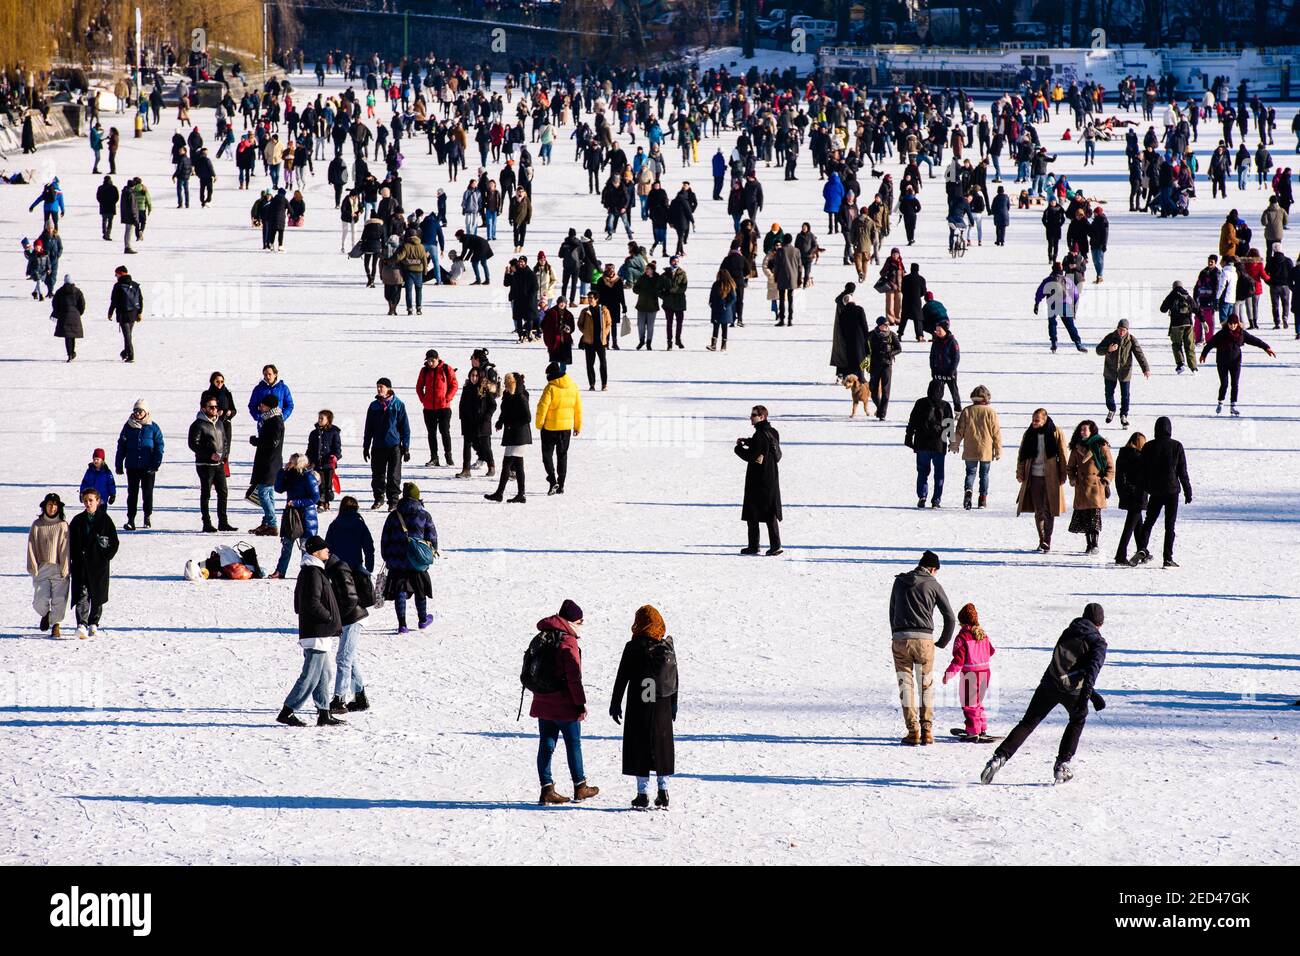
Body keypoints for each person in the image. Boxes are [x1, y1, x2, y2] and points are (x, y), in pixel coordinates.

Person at [981, 603, 1108, 785]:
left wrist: (1093, 696)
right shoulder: (1098, 642)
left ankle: (999, 757)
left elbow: (1064, 664)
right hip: (1072, 690)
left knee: (1028, 722)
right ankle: (1062, 764)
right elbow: (1091, 671)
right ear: (1100, 623)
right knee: (1078, 718)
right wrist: (1087, 696)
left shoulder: (1069, 631)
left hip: (1049, 683)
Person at [609, 604, 678, 809]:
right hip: (662, 706)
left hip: (639, 706)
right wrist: (673, 705)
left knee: (639, 747)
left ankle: (642, 794)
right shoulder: (666, 648)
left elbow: (622, 677)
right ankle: (663, 791)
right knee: (662, 747)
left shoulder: (633, 647)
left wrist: (615, 703)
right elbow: (674, 679)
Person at [888, 549, 956, 746]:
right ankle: (927, 731)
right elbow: (950, 617)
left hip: (901, 638)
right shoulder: (933, 584)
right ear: (933, 569)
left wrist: (896, 634)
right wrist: (942, 641)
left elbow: (892, 611)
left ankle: (913, 731)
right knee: (926, 684)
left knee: (905, 684)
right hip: (925, 640)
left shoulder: (900, 582)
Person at [276, 536, 344, 728]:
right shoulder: (312, 572)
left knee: (324, 674)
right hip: (316, 632)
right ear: (315, 553)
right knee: (310, 676)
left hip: (318, 633)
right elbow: (309, 603)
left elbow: (299, 603)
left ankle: (324, 713)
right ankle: (287, 711)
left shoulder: (313, 571)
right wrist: (328, 617)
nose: (328, 551)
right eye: (325, 549)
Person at [1131, 416, 1193, 568]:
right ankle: (1167, 558)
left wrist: (1141, 490)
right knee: (1169, 526)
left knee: (1149, 522)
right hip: (1172, 491)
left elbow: (1142, 472)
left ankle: (1142, 548)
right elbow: (1182, 471)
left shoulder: (1148, 447)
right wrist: (1188, 490)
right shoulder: (1177, 446)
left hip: (1155, 490)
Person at [325, 539, 371, 716]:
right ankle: (360, 697)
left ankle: (339, 699)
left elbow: (351, 599)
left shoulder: (338, 569)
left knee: (343, 658)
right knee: (349, 658)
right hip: (348, 618)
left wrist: (339, 618)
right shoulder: (331, 568)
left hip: (353, 618)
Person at [68, 488, 119, 638]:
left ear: (98, 501)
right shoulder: (77, 521)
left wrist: (105, 556)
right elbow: (70, 542)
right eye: (85, 500)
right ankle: (81, 624)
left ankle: (93, 623)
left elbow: (114, 542)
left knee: (97, 594)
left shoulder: (105, 520)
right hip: (81, 565)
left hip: (99, 566)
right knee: (82, 595)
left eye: (91, 500)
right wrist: (74, 558)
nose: (88, 503)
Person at [1199, 314, 1276, 415]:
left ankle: (1233, 406)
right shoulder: (1222, 333)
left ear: (1238, 324)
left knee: (1235, 384)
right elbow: (1211, 343)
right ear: (1228, 323)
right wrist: (1204, 354)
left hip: (1235, 362)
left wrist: (1266, 347)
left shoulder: (1241, 333)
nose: (1233, 326)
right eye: (1231, 324)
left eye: (1235, 324)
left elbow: (1254, 340)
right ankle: (1220, 403)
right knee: (1224, 383)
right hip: (1222, 362)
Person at [1015, 408, 1068, 553]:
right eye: (1033, 419)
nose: (1034, 422)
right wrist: (1019, 472)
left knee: (1050, 509)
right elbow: (1022, 454)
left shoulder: (1055, 432)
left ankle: (1048, 539)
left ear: (1044, 420)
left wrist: (1064, 473)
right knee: (1038, 510)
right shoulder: (1029, 433)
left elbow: (1063, 453)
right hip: (1034, 476)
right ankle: (1042, 539)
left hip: (1051, 476)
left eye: (1037, 420)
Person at [942, 604, 996, 742]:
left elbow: (958, 660)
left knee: (969, 703)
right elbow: (991, 651)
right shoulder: (983, 634)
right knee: (978, 701)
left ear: (962, 621)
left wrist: (948, 674)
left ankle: (973, 731)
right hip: (985, 672)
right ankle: (982, 727)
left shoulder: (962, 637)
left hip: (970, 674)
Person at [735, 405, 783, 556]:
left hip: (758, 479)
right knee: (770, 512)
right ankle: (775, 545)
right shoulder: (772, 432)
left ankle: (754, 545)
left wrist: (738, 449)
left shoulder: (760, 435)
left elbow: (752, 456)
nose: (751, 417)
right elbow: (763, 447)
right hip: (771, 478)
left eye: (754, 415)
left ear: (762, 417)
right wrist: (748, 441)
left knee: (752, 511)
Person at [1065, 420, 1114, 555]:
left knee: (1094, 516)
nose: (1082, 432)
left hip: (1096, 487)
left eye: (1085, 429)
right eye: (1081, 430)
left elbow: (1110, 466)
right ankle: (1089, 544)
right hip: (1081, 487)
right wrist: (1073, 479)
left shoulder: (1101, 445)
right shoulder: (1076, 448)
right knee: (1085, 517)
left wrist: (1105, 480)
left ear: (1092, 430)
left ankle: (1095, 544)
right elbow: (1070, 467)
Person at [949, 384, 1001, 510]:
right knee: (984, 474)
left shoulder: (967, 411)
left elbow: (959, 430)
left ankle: (968, 491)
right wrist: (998, 450)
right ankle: (982, 499)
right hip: (986, 449)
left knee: (970, 473)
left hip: (970, 448)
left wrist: (954, 445)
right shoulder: (990, 412)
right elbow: (996, 433)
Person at [363, 378, 411, 510]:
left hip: (394, 445)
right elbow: (369, 428)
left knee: (394, 475)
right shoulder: (374, 406)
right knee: (378, 475)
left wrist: (406, 447)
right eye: (378, 386)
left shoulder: (398, 405)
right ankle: (379, 498)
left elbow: (404, 428)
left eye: (382, 386)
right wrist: (366, 446)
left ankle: (393, 501)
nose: (379, 389)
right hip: (378, 445)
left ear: (388, 388)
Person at [188, 394, 234, 532]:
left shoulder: (219, 422)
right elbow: (193, 444)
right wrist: (209, 455)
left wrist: (224, 455)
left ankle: (223, 522)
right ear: (204, 408)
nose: (214, 410)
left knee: (223, 492)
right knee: (206, 493)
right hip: (205, 465)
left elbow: (224, 440)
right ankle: (206, 523)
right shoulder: (198, 424)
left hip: (219, 464)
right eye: (211, 407)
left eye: (216, 407)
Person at [270, 454, 320, 579]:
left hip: (306, 516)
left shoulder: (308, 477)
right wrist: (282, 472)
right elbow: (278, 488)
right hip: (292, 515)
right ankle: (280, 571)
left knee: (305, 546)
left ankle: (307, 573)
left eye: (292, 462)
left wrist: (297, 502)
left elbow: (315, 497)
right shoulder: (290, 475)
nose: (289, 463)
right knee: (287, 544)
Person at [905, 380, 953, 509]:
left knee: (922, 472)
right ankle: (936, 500)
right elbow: (949, 427)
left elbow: (912, 421)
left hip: (922, 443)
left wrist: (908, 437)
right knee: (939, 473)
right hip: (939, 444)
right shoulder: (945, 405)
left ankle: (922, 496)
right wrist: (952, 442)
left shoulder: (920, 403)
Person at [535, 361, 582, 495]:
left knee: (547, 456)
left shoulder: (550, 388)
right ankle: (561, 485)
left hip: (549, 428)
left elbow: (542, 407)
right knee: (562, 456)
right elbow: (578, 409)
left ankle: (552, 480)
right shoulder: (573, 386)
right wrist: (577, 426)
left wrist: (539, 424)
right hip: (566, 429)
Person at [28, 493, 70, 638]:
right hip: (42, 567)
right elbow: (31, 546)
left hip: (59, 567)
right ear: (44, 506)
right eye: (49, 505)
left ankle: (56, 625)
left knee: (60, 599)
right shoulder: (37, 525)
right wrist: (33, 565)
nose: (52, 508)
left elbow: (66, 549)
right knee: (40, 599)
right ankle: (45, 615)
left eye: (55, 505)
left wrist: (65, 568)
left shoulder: (63, 525)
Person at [486, 372, 531, 503]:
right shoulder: (507, 396)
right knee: (518, 465)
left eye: (507, 384)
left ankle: (500, 493)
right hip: (512, 435)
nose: (504, 387)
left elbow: (527, 418)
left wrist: (512, 425)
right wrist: (500, 422)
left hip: (519, 435)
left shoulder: (521, 397)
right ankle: (520, 494)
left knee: (507, 464)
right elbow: (505, 412)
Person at [1095, 319, 1150, 427]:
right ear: (1117, 328)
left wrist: (1145, 368)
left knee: (1125, 395)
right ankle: (1112, 409)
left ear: (1127, 330)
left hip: (1125, 371)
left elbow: (1139, 354)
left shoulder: (1131, 339)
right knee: (1109, 394)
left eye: (1124, 330)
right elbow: (1098, 350)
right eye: (1120, 329)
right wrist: (1108, 349)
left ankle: (1124, 415)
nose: (1121, 332)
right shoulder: (1110, 337)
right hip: (1110, 370)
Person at [248, 394, 285, 535]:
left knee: (263, 492)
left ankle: (272, 523)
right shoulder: (270, 419)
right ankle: (267, 522)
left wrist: (257, 441)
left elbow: (272, 442)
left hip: (270, 463)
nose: (260, 407)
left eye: (262, 405)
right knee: (268, 493)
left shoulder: (275, 421)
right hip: (268, 461)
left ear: (269, 406)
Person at [415, 350, 458, 467]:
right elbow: (419, 387)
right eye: (428, 361)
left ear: (438, 359)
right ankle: (434, 457)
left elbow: (454, 385)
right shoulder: (424, 371)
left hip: (444, 407)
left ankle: (448, 456)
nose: (430, 363)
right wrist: (423, 399)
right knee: (431, 433)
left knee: (445, 431)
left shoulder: (446, 369)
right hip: (429, 408)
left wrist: (447, 398)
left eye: (432, 360)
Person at [1113, 431, 1147, 566]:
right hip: (1137, 495)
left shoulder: (1122, 455)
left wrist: (1123, 492)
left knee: (1137, 524)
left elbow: (1119, 477)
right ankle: (1120, 555)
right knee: (1129, 527)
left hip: (1126, 494)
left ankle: (1142, 551)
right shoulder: (1139, 457)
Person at [1033, 263, 1083, 352]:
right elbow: (1076, 294)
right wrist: (1073, 306)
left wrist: (1037, 303)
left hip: (1052, 304)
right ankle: (1078, 343)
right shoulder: (1067, 280)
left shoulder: (1048, 280)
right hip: (1065, 305)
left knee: (1052, 324)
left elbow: (1040, 292)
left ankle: (1054, 342)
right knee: (1070, 326)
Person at [306, 410, 342, 512]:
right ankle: (320, 503)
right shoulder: (313, 433)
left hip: (328, 464)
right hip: (317, 464)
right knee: (319, 484)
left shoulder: (334, 433)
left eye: (322, 418)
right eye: (319, 418)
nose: (320, 420)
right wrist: (308, 460)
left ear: (328, 420)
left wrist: (335, 457)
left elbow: (337, 449)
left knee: (328, 485)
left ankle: (327, 502)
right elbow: (310, 449)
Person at [1160, 280, 1199, 373]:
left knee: (1177, 345)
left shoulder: (1171, 296)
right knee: (1190, 346)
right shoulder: (1187, 295)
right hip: (1188, 324)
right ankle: (1193, 367)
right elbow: (1196, 309)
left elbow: (1162, 309)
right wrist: (1203, 321)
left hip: (1176, 325)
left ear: (1173, 287)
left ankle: (1180, 364)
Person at [107, 265, 144, 363]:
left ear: (121, 273)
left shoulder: (118, 286)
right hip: (133, 313)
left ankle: (130, 355)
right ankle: (125, 353)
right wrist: (139, 312)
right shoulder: (135, 285)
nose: (116, 276)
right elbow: (140, 299)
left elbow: (114, 301)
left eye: (116, 274)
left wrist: (110, 312)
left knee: (127, 336)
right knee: (128, 335)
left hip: (123, 314)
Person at [867, 316, 902, 419]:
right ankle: (880, 408)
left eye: (887, 325)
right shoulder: (871, 335)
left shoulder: (892, 335)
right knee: (873, 390)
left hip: (887, 365)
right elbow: (865, 348)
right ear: (879, 325)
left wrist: (890, 354)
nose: (886, 326)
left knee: (885, 390)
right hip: (874, 365)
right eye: (884, 325)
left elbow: (899, 348)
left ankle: (882, 414)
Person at [577, 293, 611, 390]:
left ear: (596, 299)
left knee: (603, 363)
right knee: (590, 364)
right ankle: (592, 384)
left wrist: (605, 334)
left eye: (591, 298)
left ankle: (604, 384)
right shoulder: (585, 311)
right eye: (589, 298)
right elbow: (579, 324)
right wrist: (585, 332)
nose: (590, 300)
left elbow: (609, 323)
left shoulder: (604, 310)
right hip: (589, 342)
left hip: (601, 341)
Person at [50, 275, 85, 361]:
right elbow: (82, 304)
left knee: (67, 336)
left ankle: (69, 354)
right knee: (72, 336)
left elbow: (55, 303)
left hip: (63, 315)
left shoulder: (60, 291)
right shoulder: (78, 291)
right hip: (75, 315)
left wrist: (58, 313)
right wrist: (78, 313)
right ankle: (72, 353)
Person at [929, 320, 961, 411]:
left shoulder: (952, 342)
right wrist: (933, 369)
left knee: (954, 392)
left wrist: (952, 370)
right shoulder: (936, 341)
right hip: (938, 371)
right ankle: (936, 410)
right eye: (936, 331)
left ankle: (958, 410)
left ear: (945, 330)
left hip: (950, 372)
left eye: (939, 330)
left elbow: (956, 358)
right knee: (937, 393)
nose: (937, 332)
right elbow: (932, 356)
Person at [707, 269, 738, 353]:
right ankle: (713, 345)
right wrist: (711, 303)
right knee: (715, 327)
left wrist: (726, 306)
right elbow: (712, 295)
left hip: (725, 310)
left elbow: (733, 298)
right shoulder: (716, 284)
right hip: (716, 308)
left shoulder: (729, 285)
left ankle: (723, 345)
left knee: (724, 327)